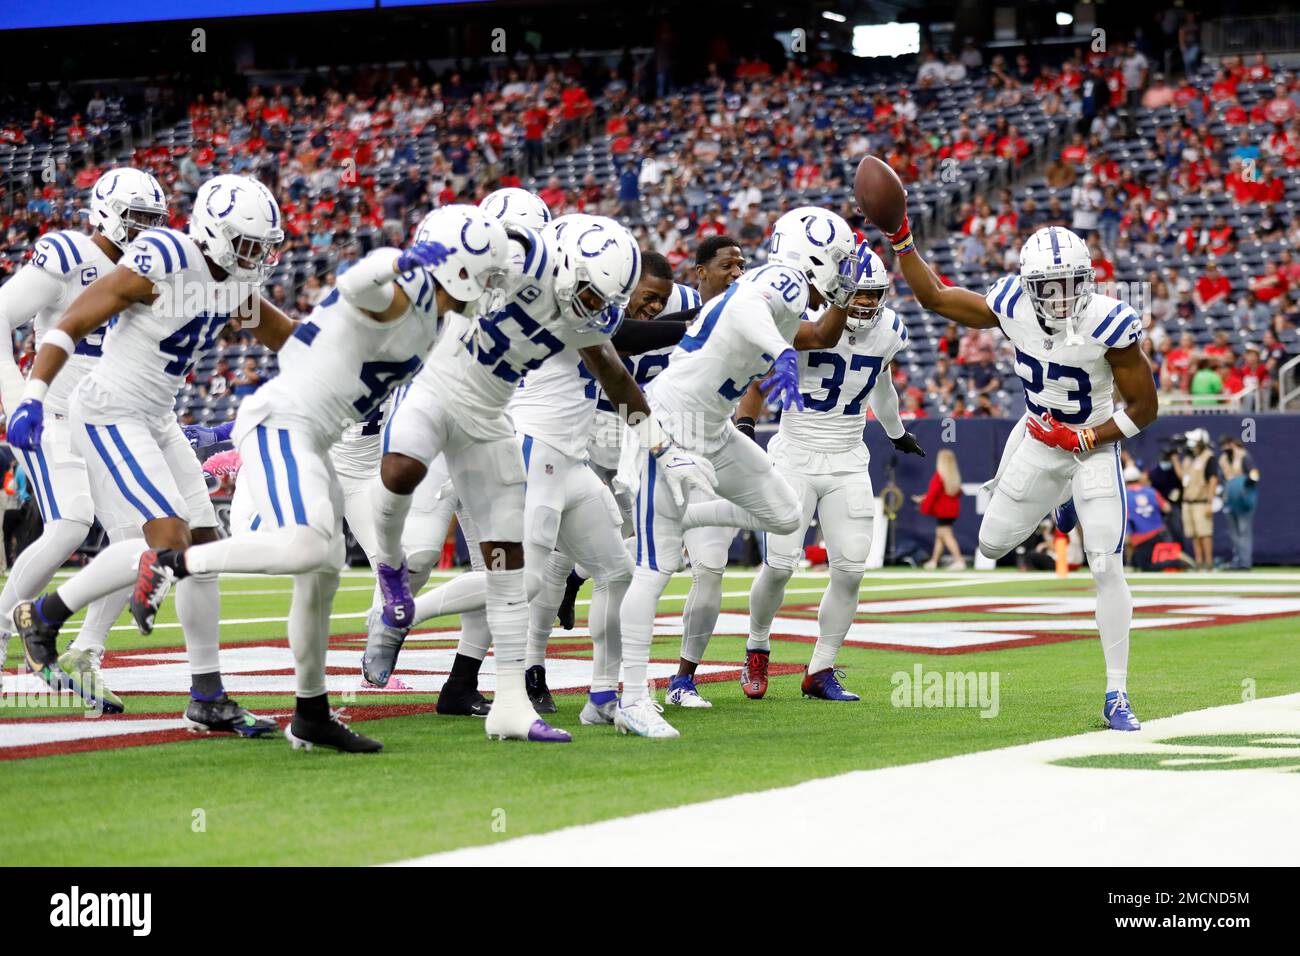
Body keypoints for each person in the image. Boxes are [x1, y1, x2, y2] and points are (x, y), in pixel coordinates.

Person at [131, 207, 509, 753]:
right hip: (285, 421)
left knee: (323, 579)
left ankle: (311, 713)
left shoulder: (439, 321)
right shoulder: (397, 292)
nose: (491, 286)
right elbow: (357, 281)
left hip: (321, 439)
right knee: (307, 546)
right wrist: (399, 260)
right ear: (454, 265)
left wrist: (394, 566)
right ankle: (173, 562)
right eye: (487, 271)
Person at [366, 212, 713, 744]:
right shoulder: (531, 292)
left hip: (566, 460)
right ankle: (401, 614)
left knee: (616, 572)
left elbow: (617, 376)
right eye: (594, 296)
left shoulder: (576, 305)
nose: (598, 310)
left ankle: (601, 698)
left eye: (606, 301)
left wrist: (663, 450)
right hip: (530, 451)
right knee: (525, 581)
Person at [7, 174, 292, 737]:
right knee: (165, 541)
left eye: (264, 246)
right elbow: (73, 321)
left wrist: (357, 357)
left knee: (206, 551)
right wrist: (31, 395)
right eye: (248, 244)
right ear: (213, 234)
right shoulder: (162, 255)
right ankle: (42, 616)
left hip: (157, 415)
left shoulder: (234, 282)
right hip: (109, 409)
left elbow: (287, 337)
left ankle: (207, 696)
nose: (258, 256)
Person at [881, 212, 1158, 732]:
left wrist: (1088, 438)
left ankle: (1116, 691)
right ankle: (1060, 499)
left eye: (1068, 285)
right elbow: (937, 298)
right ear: (1029, 287)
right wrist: (902, 241)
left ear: (1087, 281)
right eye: (1046, 288)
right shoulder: (1010, 302)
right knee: (989, 546)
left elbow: (1144, 408)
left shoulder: (1110, 322)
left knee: (1104, 564)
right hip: (1036, 439)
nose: (1057, 297)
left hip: (1093, 445)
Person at [617, 205, 859, 737]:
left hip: (714, 429)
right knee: (653, 571)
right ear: (813, 256)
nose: (841, 271)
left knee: (785, 514)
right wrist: (780, 352)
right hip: (672, 424)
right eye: (837, 263)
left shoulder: (790, 292)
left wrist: (837, 302)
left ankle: (683, 516)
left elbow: (814, 336)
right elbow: (748, 306)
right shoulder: (780, 280)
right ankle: (632, 697)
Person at [0, 167, 168, 712]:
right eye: (138, 219)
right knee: (72, 522)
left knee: (136, 541)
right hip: (48, 411)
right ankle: (4, 631)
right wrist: (17, 396)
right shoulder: (69, 254)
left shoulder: (147, 274)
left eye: (154, 221)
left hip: (104, 417)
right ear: (107, 212)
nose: (145, 230)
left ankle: (86, 650)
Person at [742, 244, 925, 702]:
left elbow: (882, 386)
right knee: (780, 566)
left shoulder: (890, 331)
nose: (864, 303)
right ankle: (757, 647)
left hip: (848, 457)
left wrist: (897, 431)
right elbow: (760, 375)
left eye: (872, 294)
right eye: (857, 294)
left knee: (849, 570)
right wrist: (744, 422)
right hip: (796, 453)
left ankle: (820, 669)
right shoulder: (803, 319)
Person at [1174, 429, 1217, 570]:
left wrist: (1210, 502)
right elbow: (1184, 478)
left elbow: (1213, 480)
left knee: (1204, 533)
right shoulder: (1188, 458)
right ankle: (1199, 562)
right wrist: (1175, 461)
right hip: (1188, 502)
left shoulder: (1208, 457)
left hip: (1201, 501)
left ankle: (1208, 563)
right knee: (1194, 535)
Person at [916, 449, 965, 569]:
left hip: (943, 512)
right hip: (951, 512)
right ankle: (933, 561)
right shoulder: (954, 477)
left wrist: (923, 504)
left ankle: (959, 560)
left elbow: (933, 494)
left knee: (946, 535)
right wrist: (924, 498)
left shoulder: (939, 476)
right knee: (940, 535)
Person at [1218, 435, 1260, 570]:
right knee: (1233, 534)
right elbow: (1221, 478)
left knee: (1244, 531)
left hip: (1243, 499)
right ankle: (1237, 560)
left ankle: (1245, 562)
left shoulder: (1244, 456)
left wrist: (1245, 484)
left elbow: (1254, 475)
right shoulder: (1223, 459)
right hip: (1230, 500)